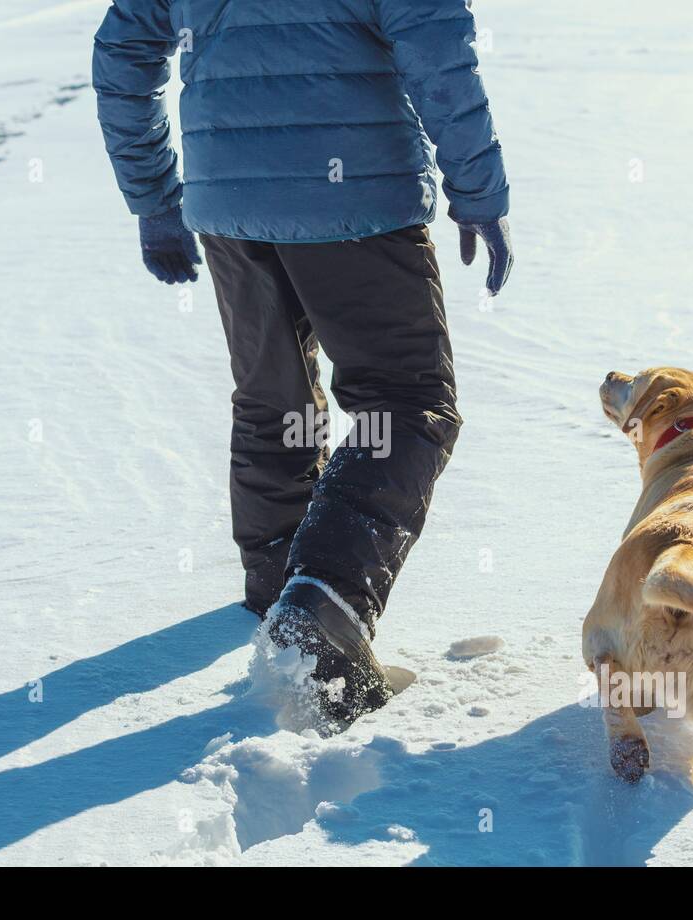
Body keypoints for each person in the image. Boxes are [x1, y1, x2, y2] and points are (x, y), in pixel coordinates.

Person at [93, 0, 512, 723]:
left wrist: (155, 200)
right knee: (409, 404)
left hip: (230, 204)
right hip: (357, 204)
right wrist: (478, 191)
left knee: (275, 402)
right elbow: (438, 53)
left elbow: (123, 58)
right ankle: (324, 600)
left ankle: (279, 608)